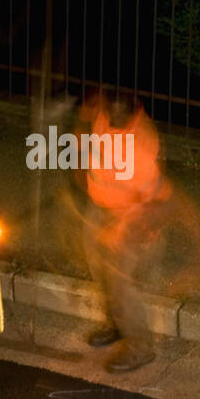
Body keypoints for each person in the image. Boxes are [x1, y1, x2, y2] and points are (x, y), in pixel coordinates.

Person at [77, 90, 170, 372]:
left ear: (133, 111)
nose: (113, 118)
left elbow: (147, 203)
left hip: (133, 218)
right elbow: (88, 126)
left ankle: (141, 347)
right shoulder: (103, 112)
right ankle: (115, 324)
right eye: (110, 111)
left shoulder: (142, 142)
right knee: (98, 268)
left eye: (119, 115)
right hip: (100, 207)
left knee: (120, 281)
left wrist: (118, 230)